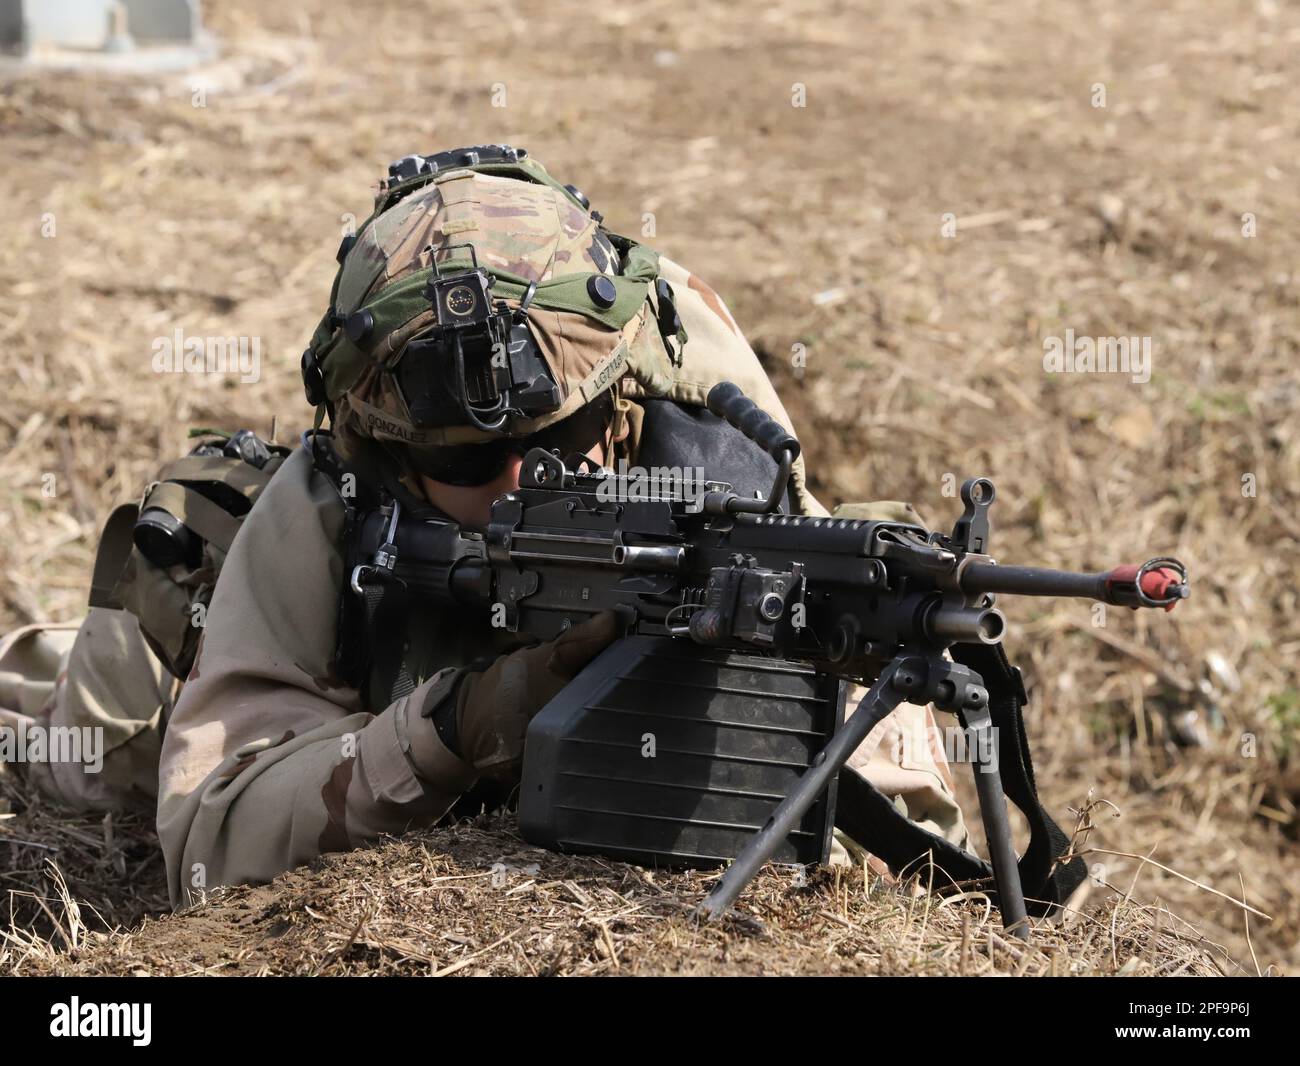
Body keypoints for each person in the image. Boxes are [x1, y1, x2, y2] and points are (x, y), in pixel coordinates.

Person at [0, 146, 966, 908]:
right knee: (85, 758)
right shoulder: (328, 504)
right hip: (200, 663)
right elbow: (212, 844)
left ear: (615, 398)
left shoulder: (712, 442)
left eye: (561, 439)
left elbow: (903, 836)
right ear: (382, 443)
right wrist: (463, 724)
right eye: (462, 462)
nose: (518, 480)